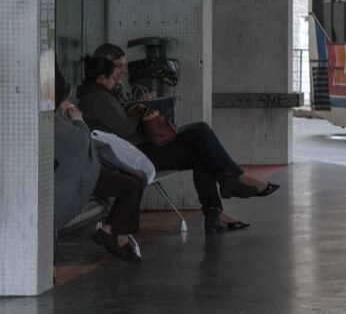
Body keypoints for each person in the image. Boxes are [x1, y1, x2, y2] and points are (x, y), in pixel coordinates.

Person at [76, 53, 279, 232]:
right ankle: (229, 185)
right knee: (201, 136)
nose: (119, 77)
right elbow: (126, 128)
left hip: (138, 149)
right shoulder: (98, 99)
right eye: (114, 74)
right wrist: (140, 108)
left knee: (202, 143)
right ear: (101, 79)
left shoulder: (104, 94)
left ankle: (222, 197)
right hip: (134, 155)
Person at [55, 81, 145, 265]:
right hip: (80, 174)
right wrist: (78, 120)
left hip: (85, 168)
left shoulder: (57, 116)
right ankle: (115, 235)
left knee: (134, 181)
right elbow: (81, 142)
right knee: (132, 184)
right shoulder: (55, 119)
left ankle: (113, 232)